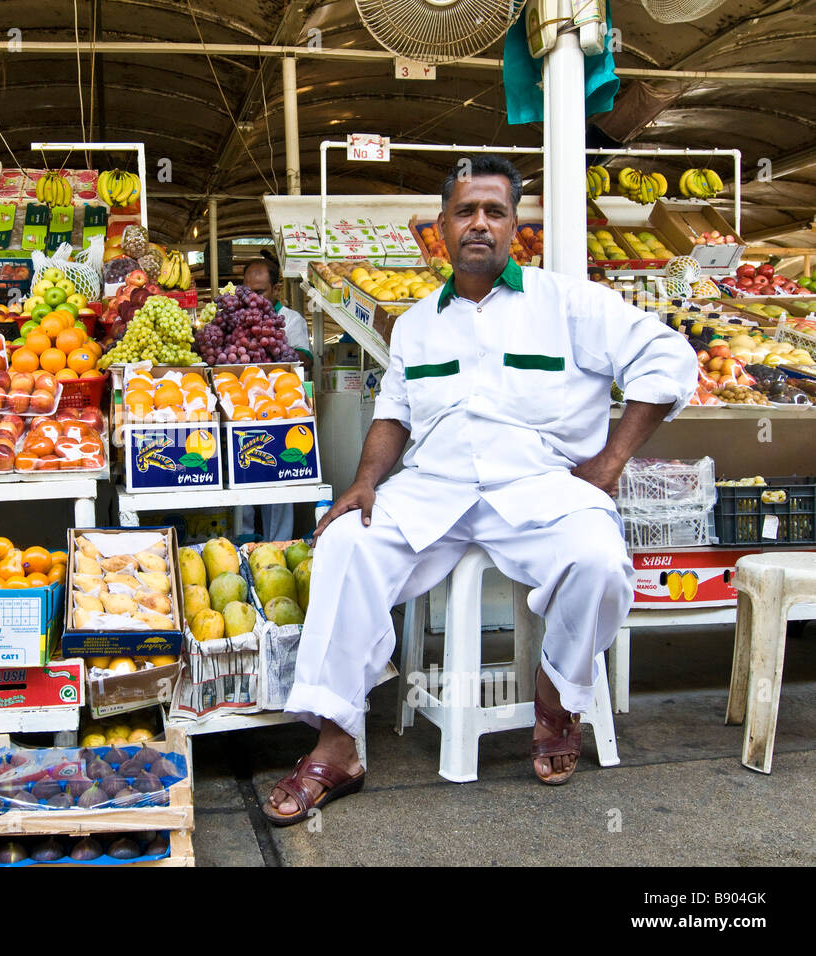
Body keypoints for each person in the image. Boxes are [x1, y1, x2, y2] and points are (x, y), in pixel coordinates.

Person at [264, 155, 698, 825]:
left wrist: (610, 463)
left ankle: (558, 690)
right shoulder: (414, 324)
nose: (479, 224)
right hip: (434, 490)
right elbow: (394, 413)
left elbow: (669, 361)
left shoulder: (570, 303)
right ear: (440, 227)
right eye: (464, 211)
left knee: (600, 559)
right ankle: (338, 739)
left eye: (494, 211)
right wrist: (365, 482)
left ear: (514, 225)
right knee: (345, 542)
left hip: (540, 489)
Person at [237, 254, 311, 542]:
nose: (252, 298)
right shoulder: (237, 320)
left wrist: (274, 353)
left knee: (279, 481)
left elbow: (304, 359)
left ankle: (278, 545)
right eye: (247, 291)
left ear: (276, 289)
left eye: (260, 292)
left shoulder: (291, 321)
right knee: (241, 481)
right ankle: (240, 544)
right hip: (242, 408)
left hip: (281, 409)